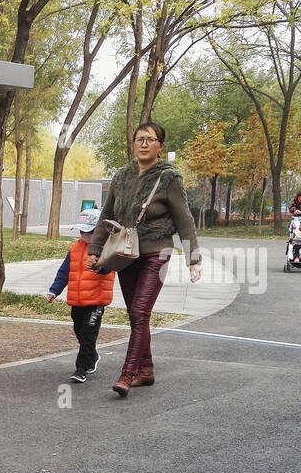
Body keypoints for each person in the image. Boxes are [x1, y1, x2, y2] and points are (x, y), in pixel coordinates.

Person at [85, 121, 201, 397]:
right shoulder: (121, 176)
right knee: (136, 315)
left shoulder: (170, 178)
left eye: (150, 139)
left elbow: (185, 220)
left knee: (139, 312)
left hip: (156, 252)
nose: (144, 143)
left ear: (161, 146)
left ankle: (128, 373)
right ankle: (146, 370)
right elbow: (106, 215)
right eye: (140, 139)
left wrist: (192, 258)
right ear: (134, 144)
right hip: (125, 254)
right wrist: (94, 250)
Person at [46, 207, 111, 383]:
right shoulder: (74, 249)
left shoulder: (106, 248)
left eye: (89, 231)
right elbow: (64, 272)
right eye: (82, 230)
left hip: (96, 299)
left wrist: (100, 266)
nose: (84, 234)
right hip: (77, 300)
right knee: (79, 331)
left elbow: (109, 269)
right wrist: (54, 290)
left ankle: (81, 368)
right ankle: (93, 355)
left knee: (88, 333)